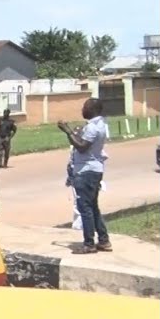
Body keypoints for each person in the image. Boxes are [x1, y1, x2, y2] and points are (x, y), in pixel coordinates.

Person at [59, 98, 111, 254]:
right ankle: (103, 240)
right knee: (93, 206)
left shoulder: (93, 127)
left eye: (85, 107)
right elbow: (82, 142)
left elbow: (81, 147)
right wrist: (74, 134)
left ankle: (89, 244)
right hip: (94, 170)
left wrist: (67, 131)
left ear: (92, 109)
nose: (83, 109)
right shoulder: (100, 124)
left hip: (86, 171)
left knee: (85, 208)